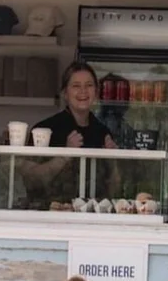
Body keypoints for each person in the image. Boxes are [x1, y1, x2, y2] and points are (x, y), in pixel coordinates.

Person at [19, 62, 117, 206]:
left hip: (92, 217)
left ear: (96, 92)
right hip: (49, 215)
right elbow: (30, 180)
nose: (83, 91)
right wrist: (65, 156)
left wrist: (112, 160)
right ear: (65, 93)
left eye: (89, 85)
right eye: (76, 86)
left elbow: (114, 189)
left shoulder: (102, 132)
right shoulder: (45, 130)